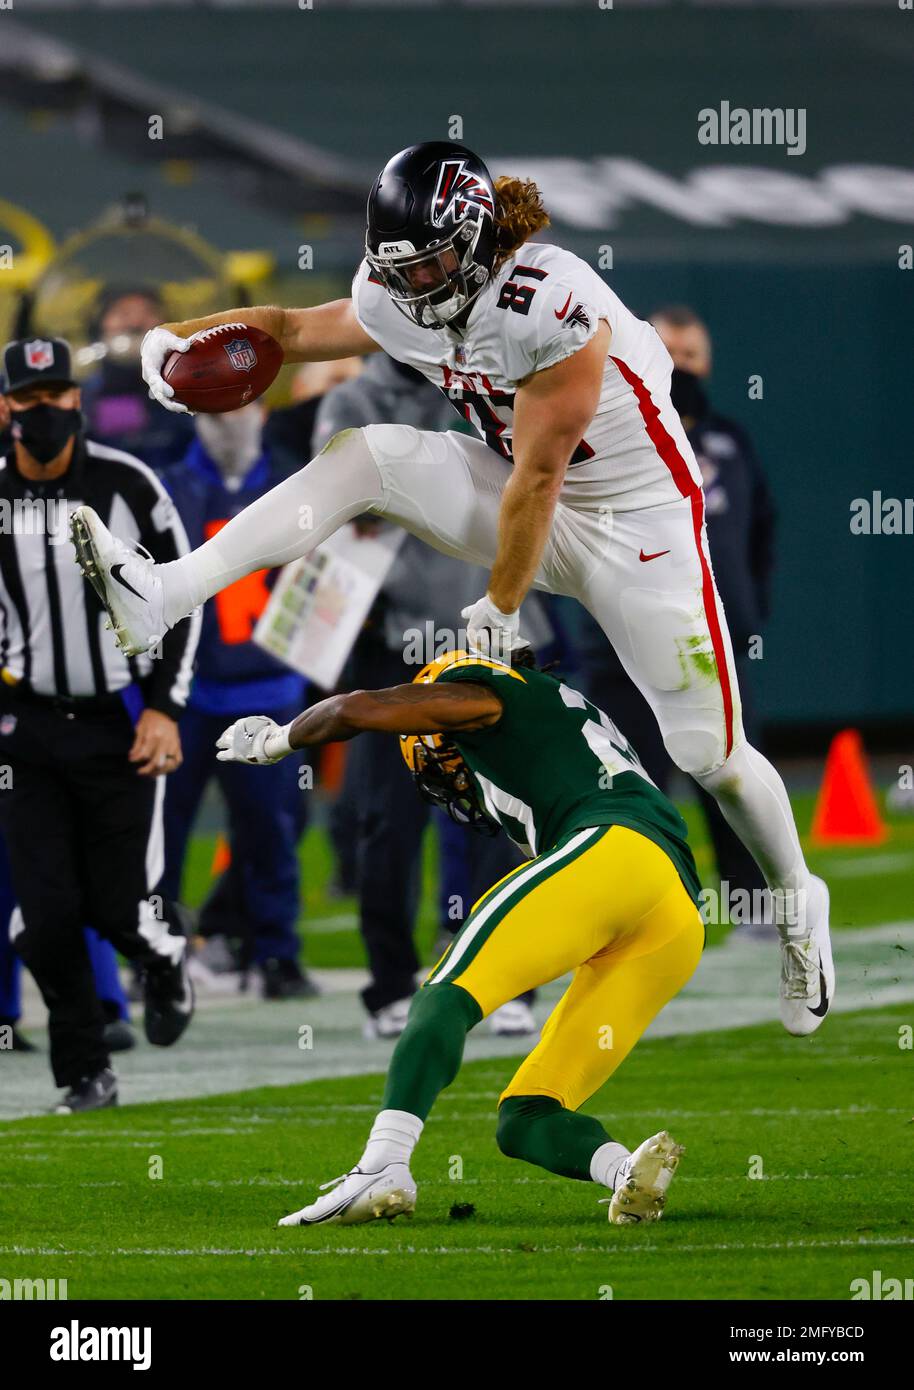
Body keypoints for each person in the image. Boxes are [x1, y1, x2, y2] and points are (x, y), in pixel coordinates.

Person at [70, 140, 833, 1037]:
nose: (418, 284)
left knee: (711, 755)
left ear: (474, 239)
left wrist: (500, 609)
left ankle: (795, 898)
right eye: (401, 267)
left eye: (432, 261)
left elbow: (541, 479)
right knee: (366, 456)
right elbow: (284, 330)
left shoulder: (551, 301)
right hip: (525, 496)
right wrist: (180, 343)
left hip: (638, 530)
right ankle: (165, 593)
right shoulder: (400, 292)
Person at [214, 646, 704, 1227]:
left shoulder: (482, 693)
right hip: (675, 918)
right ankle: (626, 1171)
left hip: (611, 853)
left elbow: (357, 708)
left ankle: (382, 1165)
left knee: (445, 994)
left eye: (432, 757)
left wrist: (278, 740)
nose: (442, 776)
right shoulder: (555, 721)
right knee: (526, 1116)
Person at [311, 352, 543, 1038]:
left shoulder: (492, 385)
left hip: (491, 629)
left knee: (502, 818)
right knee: (389, 822)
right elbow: (344, 511)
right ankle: (389, 983)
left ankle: (500, 978)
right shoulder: (353, 403)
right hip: (396, 639)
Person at [0, 337, 198, 1112]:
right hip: (26, 727)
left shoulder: (127, 484)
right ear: (7, 406)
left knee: (119, 908)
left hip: (119, 719)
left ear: (77, 401)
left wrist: (163, 708)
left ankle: (163, 954)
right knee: (43, 918)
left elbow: (183, 595)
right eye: (29, 399)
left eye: (57, 396)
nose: (44, 411)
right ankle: (85, 1072)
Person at [160, 403, 317, 1000]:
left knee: (270, 834)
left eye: (239, 405)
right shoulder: (168, 488)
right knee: (165, 834)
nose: (228, 420)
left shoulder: (292, 485)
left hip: (269, 689)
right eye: (214, 409)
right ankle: (162, 954)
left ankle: (275, 953)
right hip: (188, 693)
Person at [80, 286, 196, 472]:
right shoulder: (81, 397)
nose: (135, 322)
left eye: (149, 312)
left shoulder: (193, 392)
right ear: (98, 325)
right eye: (122, 313)